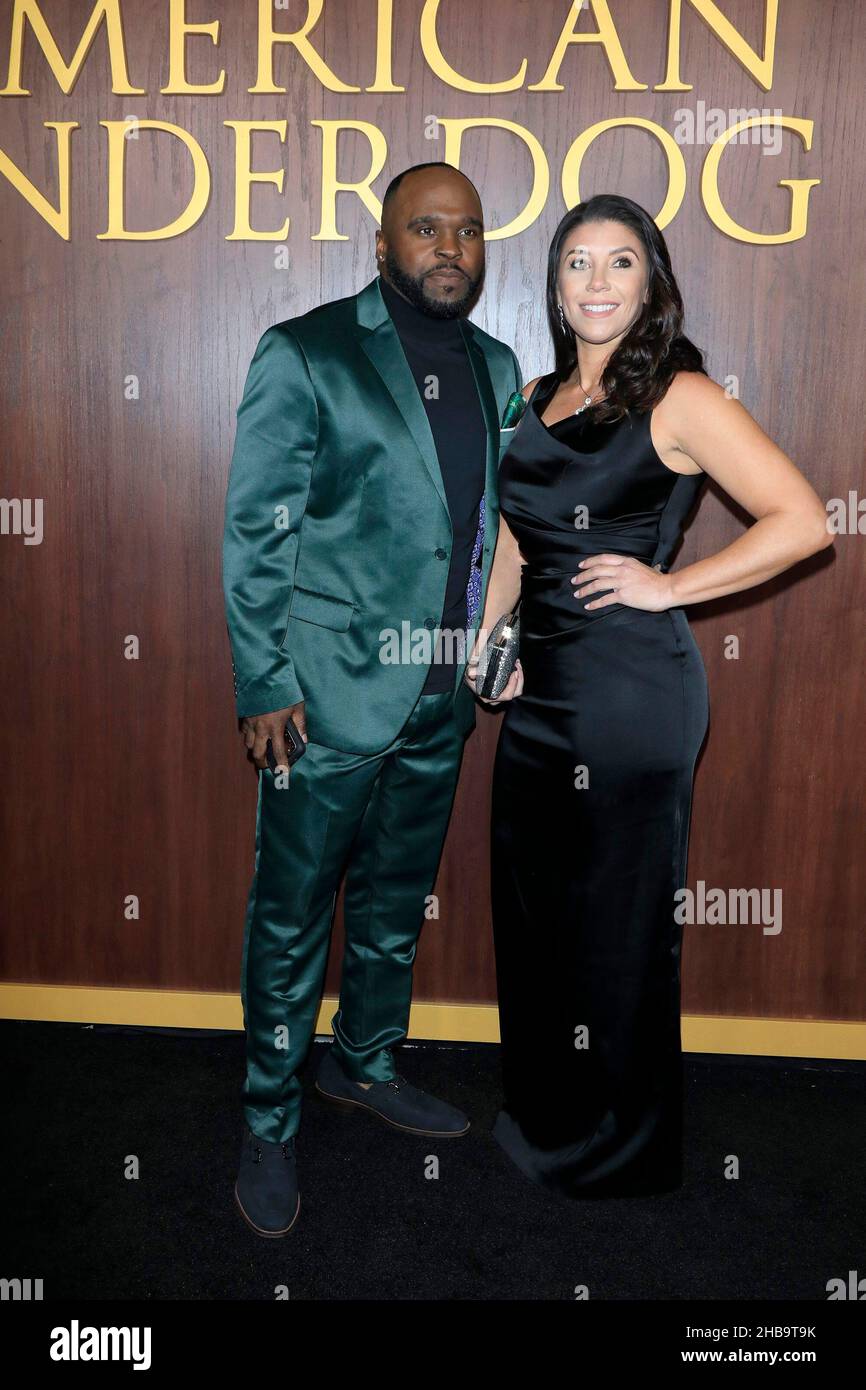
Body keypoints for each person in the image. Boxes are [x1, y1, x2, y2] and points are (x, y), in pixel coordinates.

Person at [466, 192, 833, 1199]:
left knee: (617, 924)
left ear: (651, 281)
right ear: (551, 283)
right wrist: (485, 638)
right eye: (574, 262)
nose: (593, 282)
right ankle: (547, 1113)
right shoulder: (534, 394)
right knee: (536, 914)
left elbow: (802, 521)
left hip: (630, 700)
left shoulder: (679, 396)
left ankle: (613, 1154)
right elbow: (511, 532)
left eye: (617, 262)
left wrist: (668, 584)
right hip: (541, 698)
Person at [222, 162, 523, 1236]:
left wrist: (500, 645)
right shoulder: (308, 351)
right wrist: (263, 681)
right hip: (322, 700)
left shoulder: (497, 367)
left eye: (467, 232)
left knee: (394, 908)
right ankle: (267, 1118)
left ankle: (364, 1062)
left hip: (441, 697)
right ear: (383, 242)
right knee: (292, 915)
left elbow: (501, 527)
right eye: (425, 228)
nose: (448, 247)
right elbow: (258, 530)